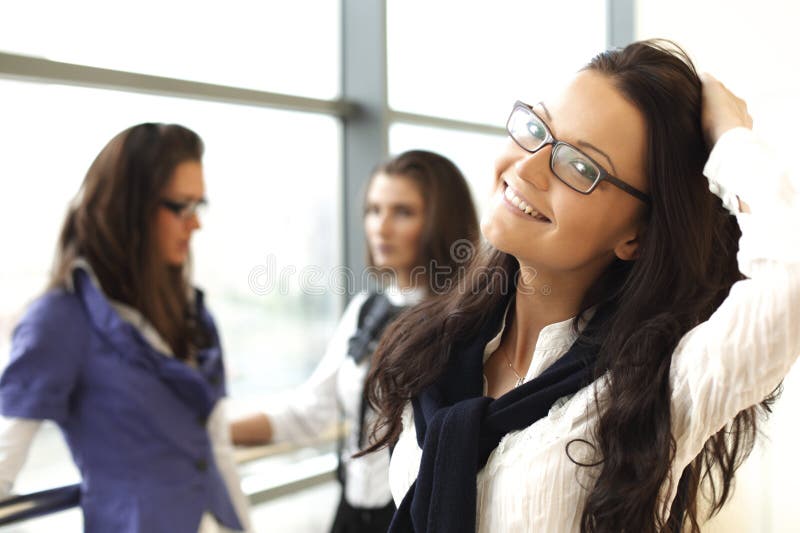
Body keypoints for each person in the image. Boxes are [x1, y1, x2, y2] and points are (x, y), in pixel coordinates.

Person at [361, 40, 800, 533]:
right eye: (537, 130)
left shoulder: (658, 384)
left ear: (635, 234)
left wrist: (731, 138)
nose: (527, 168)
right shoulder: (435, 347)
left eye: (580, 167)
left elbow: (792, 276)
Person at [0, 123, 251, 533]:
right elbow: (5, 457)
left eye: (198, 206)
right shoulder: (61, 319)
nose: (195, 225)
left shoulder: (190, 310)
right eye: (180, 207)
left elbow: (218, 451)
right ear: (128, 210)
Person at [231, 150, 480, 533]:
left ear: (441, 221)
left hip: (412, 519)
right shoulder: (366, 309)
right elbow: (310, 412)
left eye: (403, 212)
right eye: (373, 210)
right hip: (349, 515)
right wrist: (210, 427)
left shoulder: (465, 322)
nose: (380, 228)